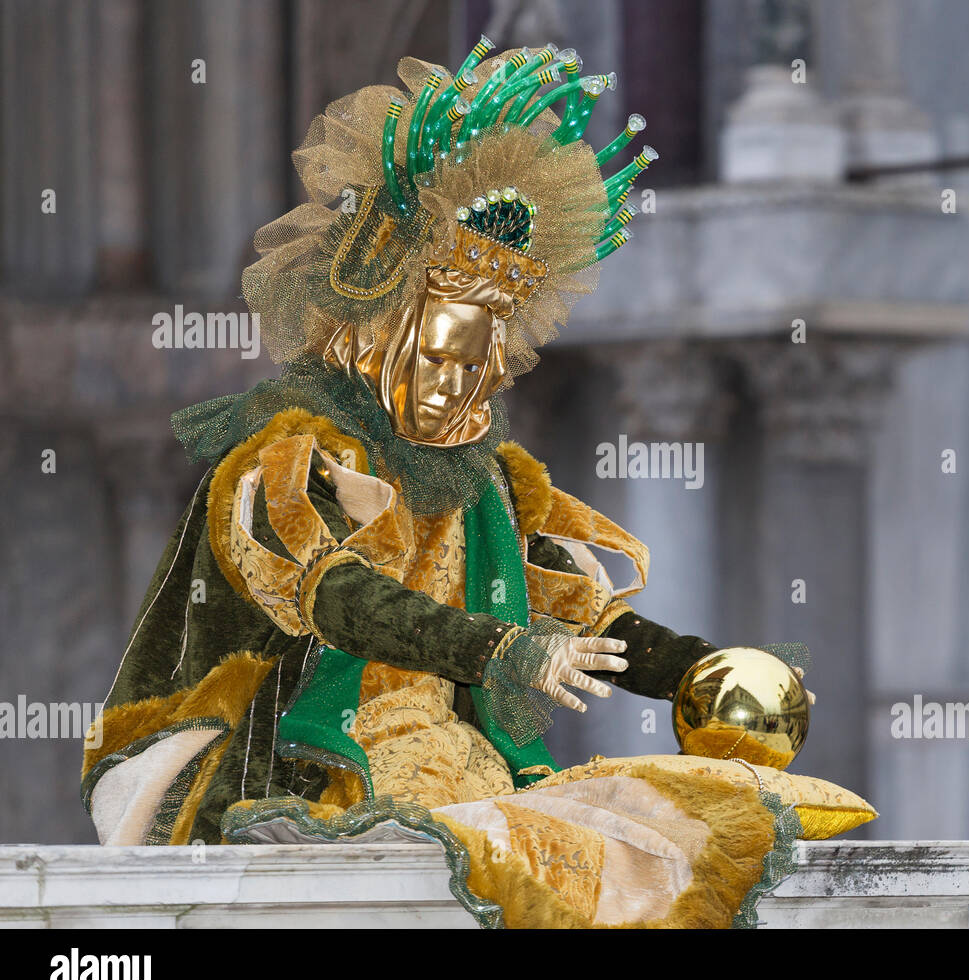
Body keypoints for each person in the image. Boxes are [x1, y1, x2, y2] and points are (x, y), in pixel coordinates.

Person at [82, 41, 859, 929]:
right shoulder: (294, 454)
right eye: (442, 356)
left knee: (657, 828)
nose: (457, 386)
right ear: (382, 332)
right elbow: (336, 599)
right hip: (310, 762)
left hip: (465, 762)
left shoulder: (484, 480)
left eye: (479, 367)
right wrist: (505, 653)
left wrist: (702, 669)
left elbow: (576, 616)